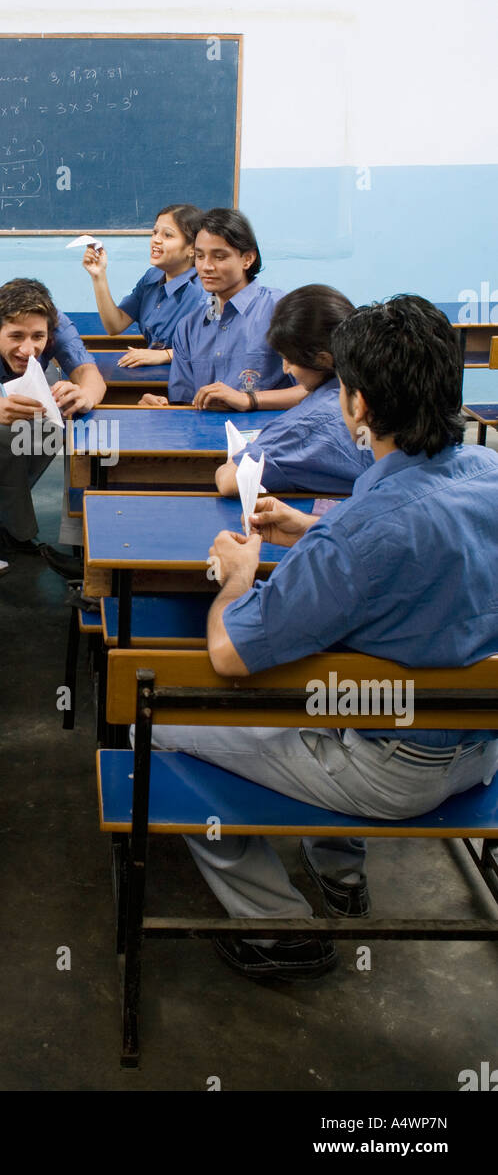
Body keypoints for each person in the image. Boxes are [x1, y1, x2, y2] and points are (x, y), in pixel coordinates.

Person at [152, 295, 498, 980]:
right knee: (339, 683)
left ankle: (278, 929)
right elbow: (422, 555)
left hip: (394, 769)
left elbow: (230, 653)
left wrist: (238, 578)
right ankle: (337, 872)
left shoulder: (367, 526)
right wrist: (317, 531)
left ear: (358, 404)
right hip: (482, 748)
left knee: (159, 726)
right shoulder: (485, 475)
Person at [0, 278, 106, 554]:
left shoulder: (56, 324)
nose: (28, 349)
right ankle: (17, 532)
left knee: (57, 423)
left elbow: (90, 375)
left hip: (17, 376)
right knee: (7, 435)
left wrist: (84, 396)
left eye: (37, 337)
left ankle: (0, 492)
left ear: (49, 333)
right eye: (16, 336)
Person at [214, 284, 374, 496]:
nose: (285, 368)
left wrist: (237, 455)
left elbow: (231, 481)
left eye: (289, 359)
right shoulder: (378, 384)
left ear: (323, 359)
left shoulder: (305, 425)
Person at [139, 209, 305, 412]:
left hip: (268, 436)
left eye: (219, 257)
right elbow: (184, 401)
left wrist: (249, 399)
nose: (206, 267)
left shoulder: (280, 309)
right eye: (200, 256)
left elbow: (314, 391)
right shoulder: (189, 327)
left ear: (248, 259)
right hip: (207, 439)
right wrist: (163, 407)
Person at [81, 205, 206, 367]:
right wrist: (98, 276)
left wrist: (165, 355)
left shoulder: (204, 290)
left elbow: (213, 345)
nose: (156, 239)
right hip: (153, 374)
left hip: (190, 377)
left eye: (167, 235)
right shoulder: (151, 277)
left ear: (192, 249)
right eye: (155, 232)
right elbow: (114, 325)